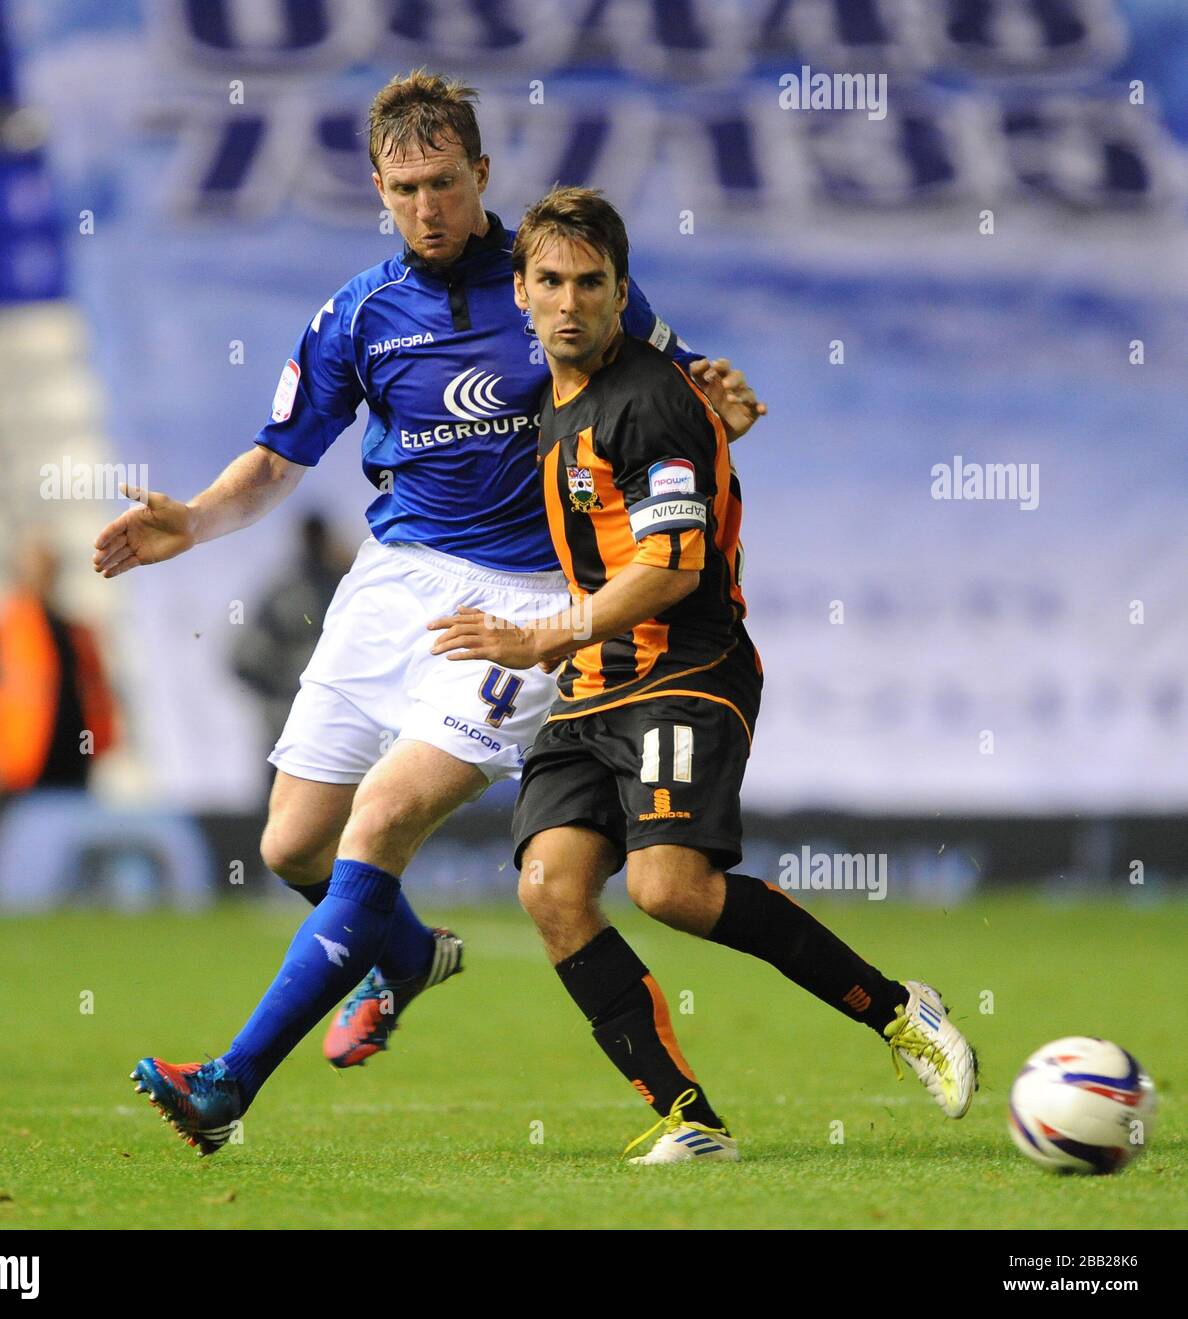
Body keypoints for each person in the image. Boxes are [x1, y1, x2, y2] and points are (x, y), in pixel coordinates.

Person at [95, 71, 762, 1153]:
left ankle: (227, 1084)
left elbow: (670, 392)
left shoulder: (550, 279)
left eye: (444, 182)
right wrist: (196, 519)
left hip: (527, 601)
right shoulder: (359, 311)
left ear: (481, 175)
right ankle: (407, 956)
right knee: (292, 841)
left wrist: (718, 401)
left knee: (380, 820)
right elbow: (279, 458)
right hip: (394, 580)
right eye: (404, 187)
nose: (427, 207)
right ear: (378, 187)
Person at [428, 186, 978, 1164]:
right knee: (550, 886)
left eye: (589, 283)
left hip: (686, 668)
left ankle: (899, 1010)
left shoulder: (646, 400)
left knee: (669, 887)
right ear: (520, 291)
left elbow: (674, 564)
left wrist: (541, 634)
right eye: (549, 281)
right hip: (594, 686)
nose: (568, 302)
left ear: (620, 291)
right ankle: (690, 1116)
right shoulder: (552, 402)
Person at [0, 532, 116, 797]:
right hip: (21, 762)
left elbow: (94, 691)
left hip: (72, 761)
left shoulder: (74, 631)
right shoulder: (1, 629)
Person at [230, 513, 347, 792]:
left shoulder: (352, 587)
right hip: (294, 731)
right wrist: (286, 697)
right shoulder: (286, 594)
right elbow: (244, 659)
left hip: (342, 731)